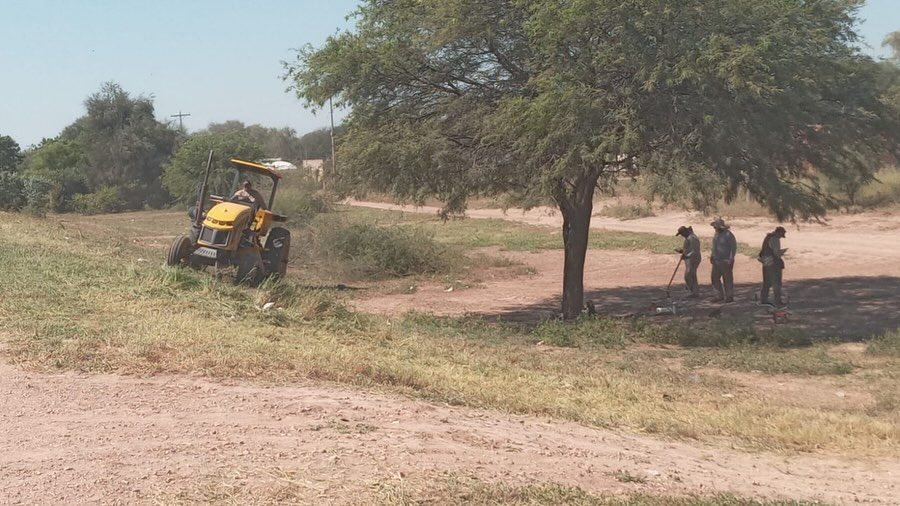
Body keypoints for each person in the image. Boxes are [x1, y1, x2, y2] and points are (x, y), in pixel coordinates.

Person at [759, 226, 788, 307]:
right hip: (773, 263)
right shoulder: (775, 239)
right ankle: (777, 302)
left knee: (766, 282)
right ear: (779, 233)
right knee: (776, 282)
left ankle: (763, 299)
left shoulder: (767, 238)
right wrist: (782, 252)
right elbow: (776, 253)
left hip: (766, 262)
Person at [709, 218, 737, 303]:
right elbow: (714, 246)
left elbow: (733, 248)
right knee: (715, 278)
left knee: (727, 279)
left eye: (716, 226)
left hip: (725, 260)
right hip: (716, 260)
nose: (714, 228)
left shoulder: (728, 235)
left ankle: (729, 296)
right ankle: (718, 295)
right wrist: (712, 255)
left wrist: (731, 259)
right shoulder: (716, 234)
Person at [676, 225, 701, 298]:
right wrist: (682, 251)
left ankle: (693, 291)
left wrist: (687, 256)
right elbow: (688, 248)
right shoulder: (688, 238)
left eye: (682, 234)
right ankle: (693, 291)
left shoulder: (692, 238)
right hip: (689, 259)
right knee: (690, 275)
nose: (682, 236)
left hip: (693, 259)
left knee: (689, 275)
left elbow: (694, 250)